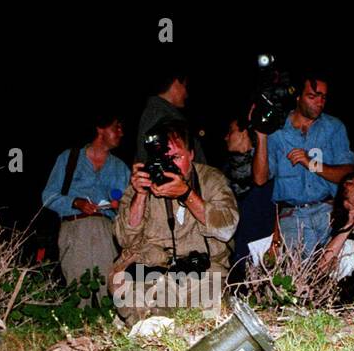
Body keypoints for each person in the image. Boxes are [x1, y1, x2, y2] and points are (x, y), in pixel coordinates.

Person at [111, 120, 239, 320]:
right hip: (155, 269)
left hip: (202, 272)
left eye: (176, 157)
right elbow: (125, 240)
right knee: (143, 315)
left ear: (191, 154)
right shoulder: (146, 179)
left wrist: (187, 194)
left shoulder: (211, 179)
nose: (169, 164)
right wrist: (141, 195)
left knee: (205, 318)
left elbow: (226, 229)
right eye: (164, 158)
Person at [252, 74, 354, 257]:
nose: (319, 102)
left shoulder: (334, 127)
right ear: (298, 97)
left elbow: (347, 174)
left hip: (328, 212)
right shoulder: (278, 131)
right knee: (301, 280)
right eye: (313, 96)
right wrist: (261, 134)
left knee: (336, 276)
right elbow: (260, 179)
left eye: (323, 97)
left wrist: (312, 164)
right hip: (292, 218)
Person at [40, 110, 129, 300]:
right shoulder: (69, 158)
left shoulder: (120, 168)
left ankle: (110, 328)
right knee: (78, 292)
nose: (121, 132)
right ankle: (78, 328)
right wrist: (75, 202)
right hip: (75, 229)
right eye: (116, 127)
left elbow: (130, 206)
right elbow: (47, 197)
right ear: (100, 129)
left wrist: (120, 205)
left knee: (111, 291)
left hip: (106, 231)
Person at [223, 113, 277, 283]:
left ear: (245, 133)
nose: (226, 137)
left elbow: (279, 204)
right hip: (237, 248)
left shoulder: (268, 162)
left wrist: (276, 241)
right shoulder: (225, 169)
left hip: (262, 245)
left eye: (230, 131)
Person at [136, 67, 207, 165]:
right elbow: (147, 158)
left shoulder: (160, 113)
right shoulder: (160, 115)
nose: (186, 95)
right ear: (176, 84)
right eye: (185, 86)